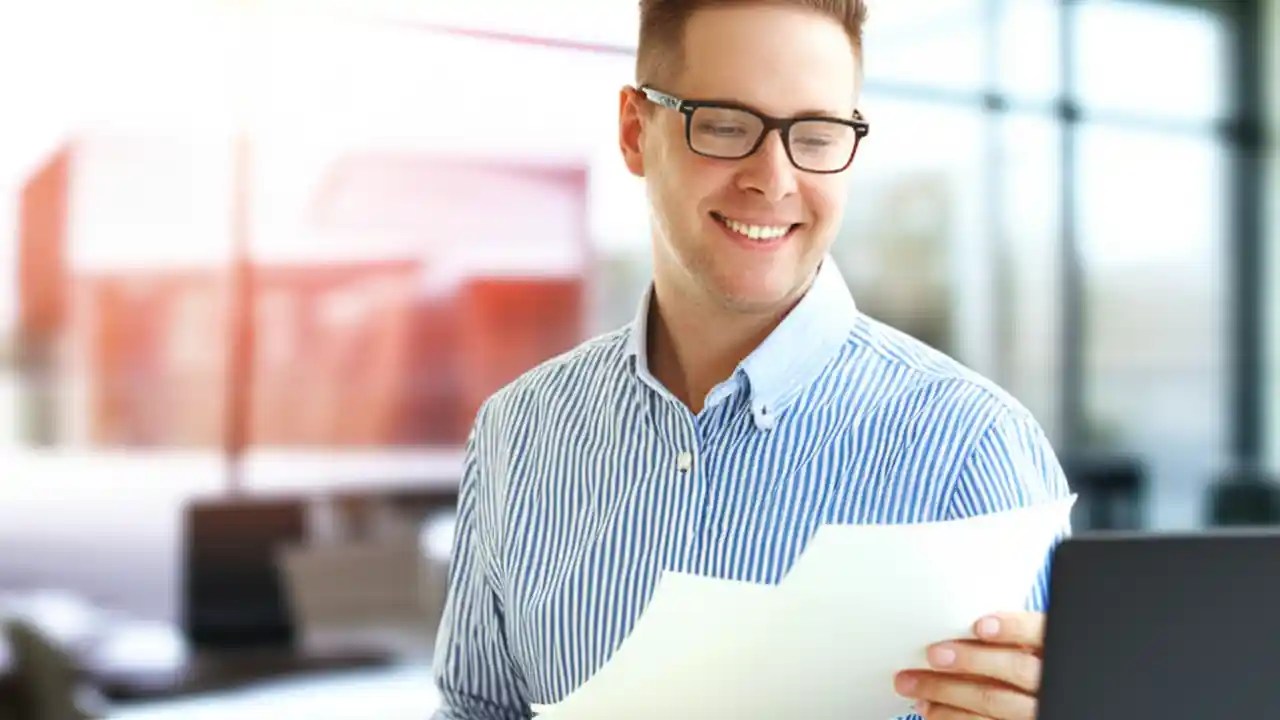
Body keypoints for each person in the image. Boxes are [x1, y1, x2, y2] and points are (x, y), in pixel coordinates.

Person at [432, 2, 1072, 719]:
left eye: (818, 135)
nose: (773, 178)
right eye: (728, 126)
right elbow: (478, 710)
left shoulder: (974, 451)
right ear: (635, 130)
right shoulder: (520, 435)